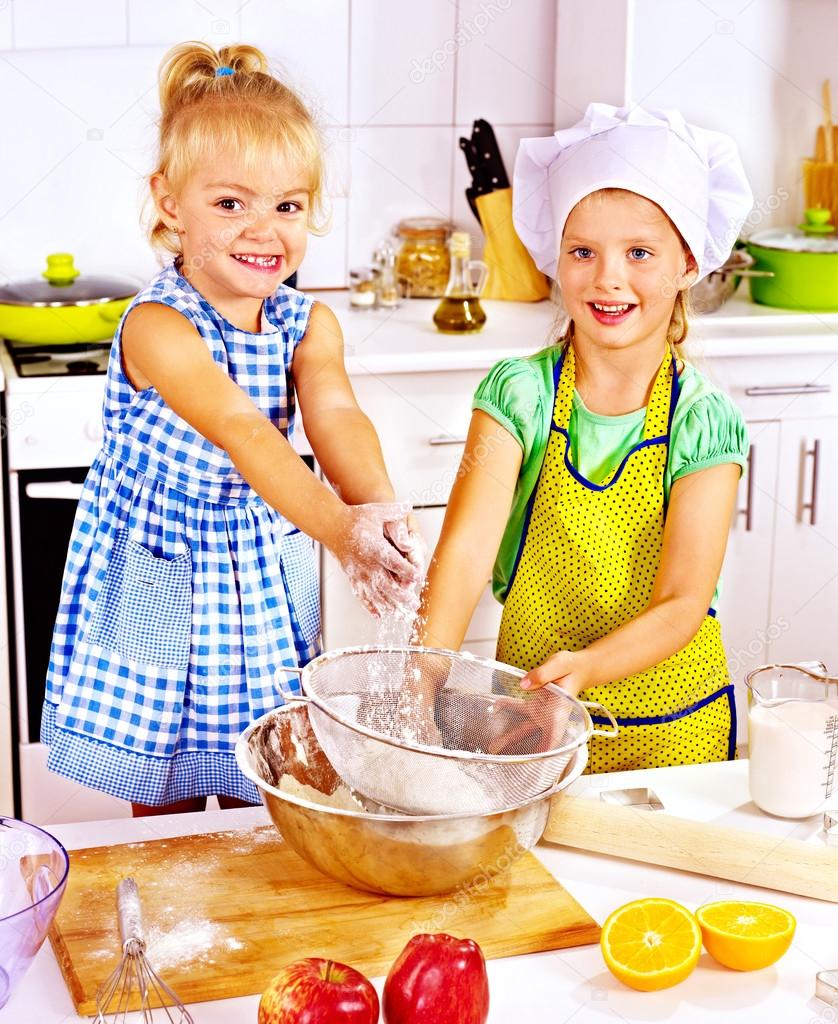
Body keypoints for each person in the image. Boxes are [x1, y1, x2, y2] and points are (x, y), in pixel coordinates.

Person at [42, 42, 423, 815]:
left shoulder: (305, 321)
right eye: (230, 203)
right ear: (169, 201)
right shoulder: (157, 325)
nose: (263, 229)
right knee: (168, 802)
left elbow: (337, 413)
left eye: (286, 206)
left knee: (278, 780)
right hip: (165, 576)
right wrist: (343, 537)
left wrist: (375, 507)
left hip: (259, 577)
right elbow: (247, 434)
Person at [417, 104, 754, 772]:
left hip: (672, 734)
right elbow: (463, 555)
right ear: (555, 258)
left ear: (687, 262)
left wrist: (587, 668)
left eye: (639, 253)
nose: (608, 278)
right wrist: (420, 684)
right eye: (583, 252)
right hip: (530, 725)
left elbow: (683, 601)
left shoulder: (703, 420)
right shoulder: (519, 396)